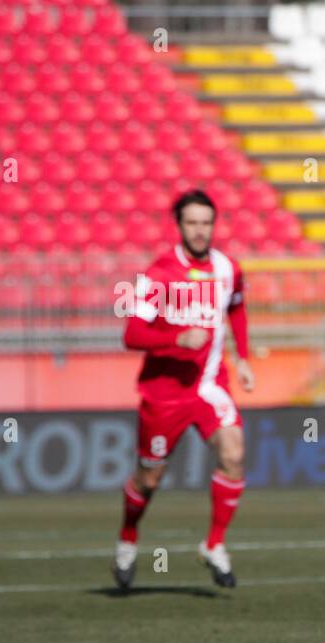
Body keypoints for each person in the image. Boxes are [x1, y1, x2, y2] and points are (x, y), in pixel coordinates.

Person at [115, 190, 254, 590]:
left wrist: (242, 358)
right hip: (164, 394)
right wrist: (177, 339)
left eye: (206, 223)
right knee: (149, 479)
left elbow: (238, 307)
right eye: (192, 222)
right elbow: (132, 333)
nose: (199, 230)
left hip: (209, 386)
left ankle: (214, 544)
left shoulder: (228, 268)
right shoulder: (158, 275)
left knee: (234, 453)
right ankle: (127, 539)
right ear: (179, 225)